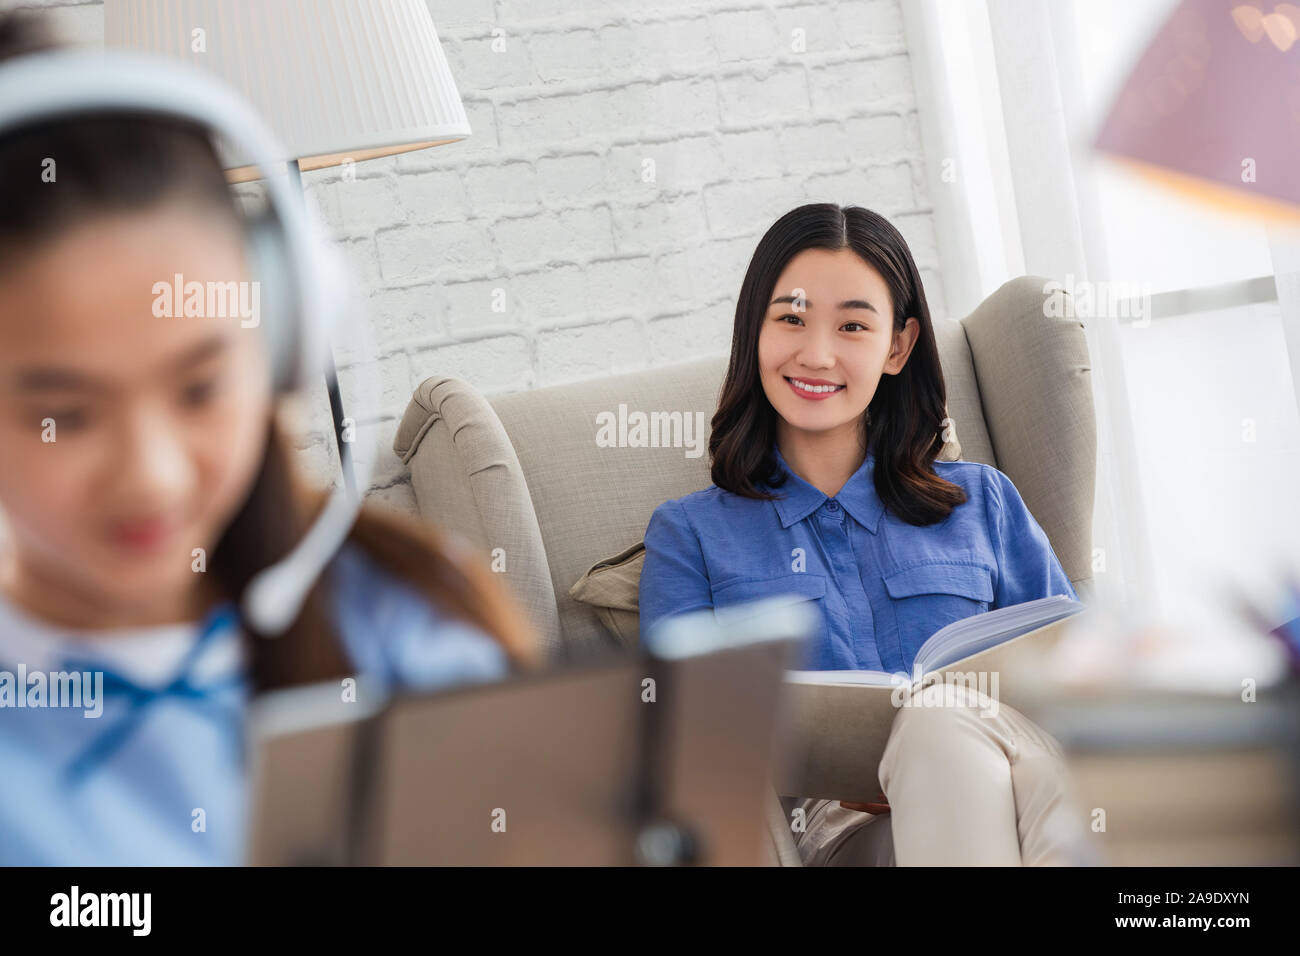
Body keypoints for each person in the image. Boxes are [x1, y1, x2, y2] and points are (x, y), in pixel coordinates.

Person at [0, 10, 538, 865]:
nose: (153, 475)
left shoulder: (410, 624)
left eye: (201, 386)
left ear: (280, 340)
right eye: (65, 413)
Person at [639, 202, 1089, 865]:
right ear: (754, 333)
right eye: (791, 318)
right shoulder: (691, 537)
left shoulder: (983, 500)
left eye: (853, 324)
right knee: (934, 733)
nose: (816, 353)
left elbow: (1071, 682)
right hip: (845, 831)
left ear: (898, 346)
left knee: (955, 731)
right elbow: (682, 741)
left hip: (1019, 781)